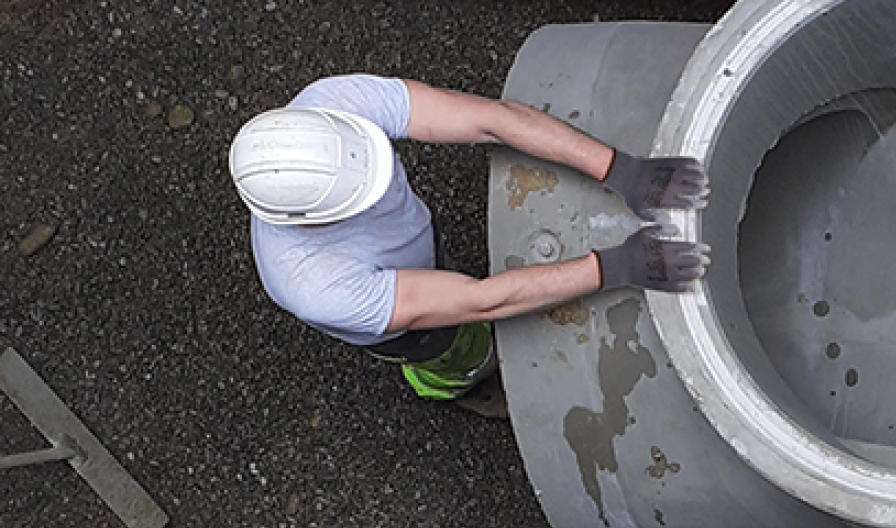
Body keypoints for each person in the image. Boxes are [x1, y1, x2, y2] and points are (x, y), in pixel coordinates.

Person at [229, 74, 710, 412]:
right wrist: (620, 265)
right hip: (405, 327)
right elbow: (481, 301)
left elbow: (492, 120)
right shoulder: (318, 286)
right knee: (459, 351)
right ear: (315, 218)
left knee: (441, 264)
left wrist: (622, 170)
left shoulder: (331, 105)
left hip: (410, 244)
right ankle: (462, 387)